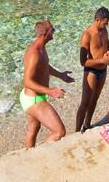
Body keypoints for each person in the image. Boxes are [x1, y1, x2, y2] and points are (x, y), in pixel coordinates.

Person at [21, 20, 74, 148]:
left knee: (33, 128)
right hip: (34, 99)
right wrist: (50, 91)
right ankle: (42, 155)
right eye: (52, 29)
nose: (54, 31)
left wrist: (61, 75)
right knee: (59, 131)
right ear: (45, 34)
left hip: (31, 97)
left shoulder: (41, 48)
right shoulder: (34, 53)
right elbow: (27, 81)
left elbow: (45, 67)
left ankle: (28, 156)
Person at [76, 7, 109, 132]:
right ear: (97, 20)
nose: (107, 25)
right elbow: (83, 62)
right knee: (85, 103)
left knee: (94, 100)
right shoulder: (87, 35)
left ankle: (87, 124)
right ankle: (77, 131)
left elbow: (108, 48)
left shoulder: (104, 30)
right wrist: (102, 61)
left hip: (103, 70)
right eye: (105, 22)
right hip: (91, 72)